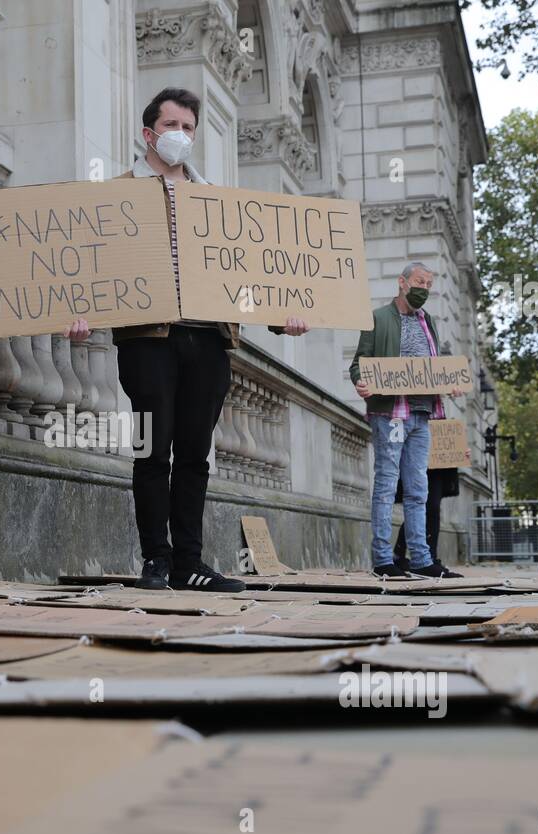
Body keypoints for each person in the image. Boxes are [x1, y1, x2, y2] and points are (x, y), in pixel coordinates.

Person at [65, 87, 309, 591]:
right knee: (153, 450)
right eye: (172, 126)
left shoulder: (216, 202)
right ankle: (156, 558)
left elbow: (246, 276)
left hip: (208, 342)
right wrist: (79, 308)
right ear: (148, 132)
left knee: (196, 457)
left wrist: (279, 317)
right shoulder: (116, 194)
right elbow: (95, 265)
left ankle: (189, 563)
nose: (181, 136)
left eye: (189, 129)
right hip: (148, 342)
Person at [349, 262, 462, 578]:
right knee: (386, 484)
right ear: (401, 282)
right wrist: (361, 382)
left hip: (421, 414)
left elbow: (435, 366)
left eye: (428, 283)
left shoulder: (431, 322)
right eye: (419, 281)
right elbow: (359, 364)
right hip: (391, 414)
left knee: (418, 489)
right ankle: (383, 560)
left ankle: (422, 560)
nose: (424, 288)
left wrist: (449, 382)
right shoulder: (378, 318)